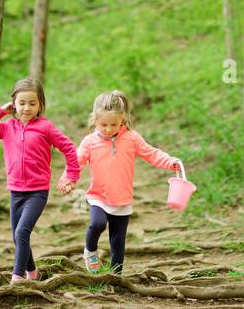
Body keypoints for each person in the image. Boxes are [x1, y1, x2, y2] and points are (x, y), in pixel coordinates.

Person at [0, 77, 79, 284]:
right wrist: (1, 111)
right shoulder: (7, 127)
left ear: (40, 104)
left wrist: (71, 175)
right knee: (18, 236)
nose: (26, 108)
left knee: (22, 231)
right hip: (15, 190)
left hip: (37, 191)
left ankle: (17, 278)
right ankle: (32, 273)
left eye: (32, 103)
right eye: (21, 103)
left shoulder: (46, 128)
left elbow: (69, 148)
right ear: (14, 103)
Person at [76, 89, 182, 274]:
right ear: (94, 120)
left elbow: (151, 153)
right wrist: (67, 180)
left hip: (122, 199)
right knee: (97, 224)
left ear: (123, 119)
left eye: (113, 125)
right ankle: (90, 251)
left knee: (118, 243)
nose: (108, 129)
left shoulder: (131, 138)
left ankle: (116, 277)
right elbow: (76, 163)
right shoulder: (90, 141)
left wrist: (170, 162)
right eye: (103, 124)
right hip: (98, 196)